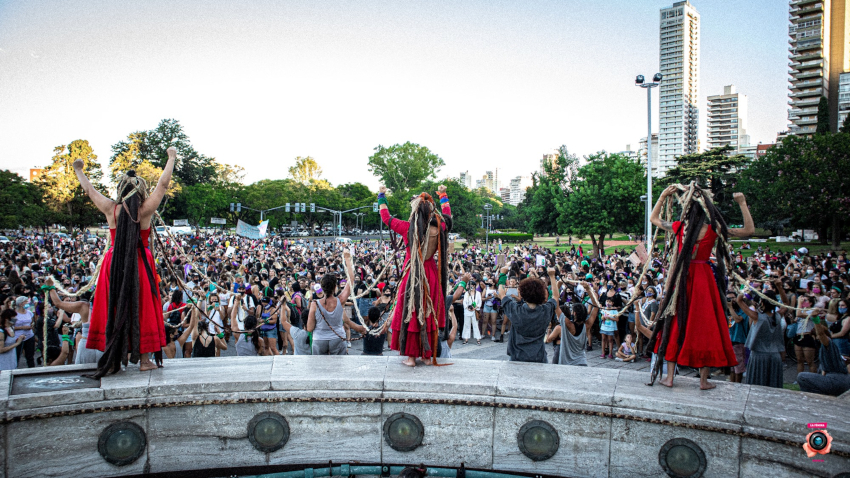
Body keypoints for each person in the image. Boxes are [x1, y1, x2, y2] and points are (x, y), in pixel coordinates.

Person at [75, 147, 175, 376]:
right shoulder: (145, 209)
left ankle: (114, 357)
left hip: (114, 263)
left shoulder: (111, 209)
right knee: (143, 307)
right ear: (140, 190)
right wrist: (171, 158)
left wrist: (79, 171)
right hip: (139, 261)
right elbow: (163, 186)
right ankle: (144, 360)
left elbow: (90, 191)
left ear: (121, 189)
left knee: (114, 305)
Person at [648, 185, 754, 390]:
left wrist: (662, 197)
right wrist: (742, 203)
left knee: (675, 321)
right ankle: (704, 381)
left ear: (687, 210)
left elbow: (654, 219)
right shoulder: (713, 229)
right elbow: (748, 230)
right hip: (703, 280)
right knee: (706, 328)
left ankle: (669, 377)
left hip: (682, 279)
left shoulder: (680, 227)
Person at [378, 185, 452, 366]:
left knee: (410, 312)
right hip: (431, 275)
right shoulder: (440, 228)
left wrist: (381, 195)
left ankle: (411, 357)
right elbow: (449, 217)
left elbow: (386, 217)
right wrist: (443, 195)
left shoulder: (406, 228)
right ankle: (427, 356)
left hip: (412, 273)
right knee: (428, 313)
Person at [306, 250, 367, 355]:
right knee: (338, 368)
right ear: (335, 287)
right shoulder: (341, 300)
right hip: (338, 338)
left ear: (322, 287)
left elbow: (310, 328)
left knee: (320, 368)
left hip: (319, 340)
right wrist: (347, 259)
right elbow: (351, 279)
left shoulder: (314, 304)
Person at [499, 267, 559, 363]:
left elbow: (501, 293)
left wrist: (502, 274)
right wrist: (552, 276)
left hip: (517, 358)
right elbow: (555, 297)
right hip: (539, 358)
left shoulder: (516, 310)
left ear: (522, 294)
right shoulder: (545, 310)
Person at [738, 283, 789, 389]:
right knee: (773, 386)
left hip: (759, 356)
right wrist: (779, 286)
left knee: (756, 386)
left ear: (762, 302)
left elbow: (739, 300)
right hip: (775, 356)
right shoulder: (778, 316)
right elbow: (786, 303)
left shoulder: (756, 316)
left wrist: (746, 290)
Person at [43, 277, 102, 364]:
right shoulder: (111, 307)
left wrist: (51, 287)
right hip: (103, 345)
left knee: (84, 375)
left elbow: (58, 303)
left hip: (87, 345)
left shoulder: (83, 306)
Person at [797, 318, 850, 396]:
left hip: (836, 380)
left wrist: (816, 320)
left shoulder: (828, 344)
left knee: (802, 376)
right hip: (840, 380)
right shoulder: (826, 349)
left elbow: (822, 334)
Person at [13, 296, 36, 367]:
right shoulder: (14, 314)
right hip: (18, 337)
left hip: (29, 336)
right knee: (17, 355)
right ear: (21, 304)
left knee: (30, 356)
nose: (28, 303)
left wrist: (32, 326)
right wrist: (22, 327)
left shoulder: (29, 312)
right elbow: (11, 327)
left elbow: (31, 321)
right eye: (26, 302)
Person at [462, 280, 482, 345]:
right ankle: (466, 338)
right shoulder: (466, 293)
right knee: (466, 324)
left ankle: (478, 338)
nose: (471, 287)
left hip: (475, 311)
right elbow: (464, 302)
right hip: (467, 311)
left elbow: (480, 302)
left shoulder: (478, 293)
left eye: (473, 285)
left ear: (474, 286)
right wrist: (468, 307)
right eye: (470, 285)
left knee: (475, 325)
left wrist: (475, 308)